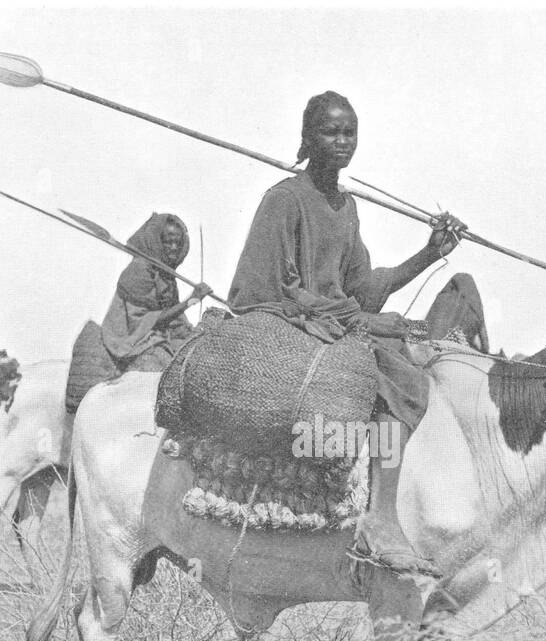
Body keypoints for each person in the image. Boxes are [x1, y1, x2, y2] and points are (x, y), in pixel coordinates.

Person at [227, 90, 469, 577]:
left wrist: (430, 252)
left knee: (408, 361)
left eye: (349, 132)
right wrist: (357, 320)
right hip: (285, 319)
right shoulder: (284, 200)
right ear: (306, 138)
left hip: (333, 322)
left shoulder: (347, 207)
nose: (341, 141)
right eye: (329, 131)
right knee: (394, 375)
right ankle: (380, 518)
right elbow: (266, 287)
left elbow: (362, 288)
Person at [101, 213, 211, 372]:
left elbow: (174, 317)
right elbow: (146, 321)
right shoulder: (138, 270)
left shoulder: (166, 273)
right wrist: (190, 301)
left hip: (158, 333)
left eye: (178, 243)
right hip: (132, 337)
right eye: (168, 242)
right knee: (166, 368)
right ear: (157, 241)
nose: (174, 248)